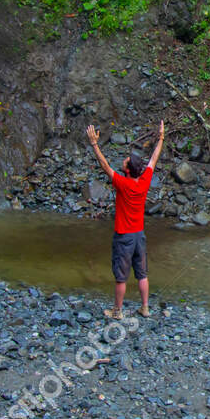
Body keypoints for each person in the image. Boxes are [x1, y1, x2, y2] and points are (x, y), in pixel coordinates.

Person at [86, 121, 164, 318]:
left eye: (125, 160)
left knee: (121, 277)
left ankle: (117, 311)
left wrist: (94, 144)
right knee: (142, 273)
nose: (123, 161)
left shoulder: (123, 183)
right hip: (139, 236)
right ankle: (145, 308)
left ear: (128, 169)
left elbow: (104, 165)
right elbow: (154, 159)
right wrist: (161, 137)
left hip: (124, 236)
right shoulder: (144, 181)